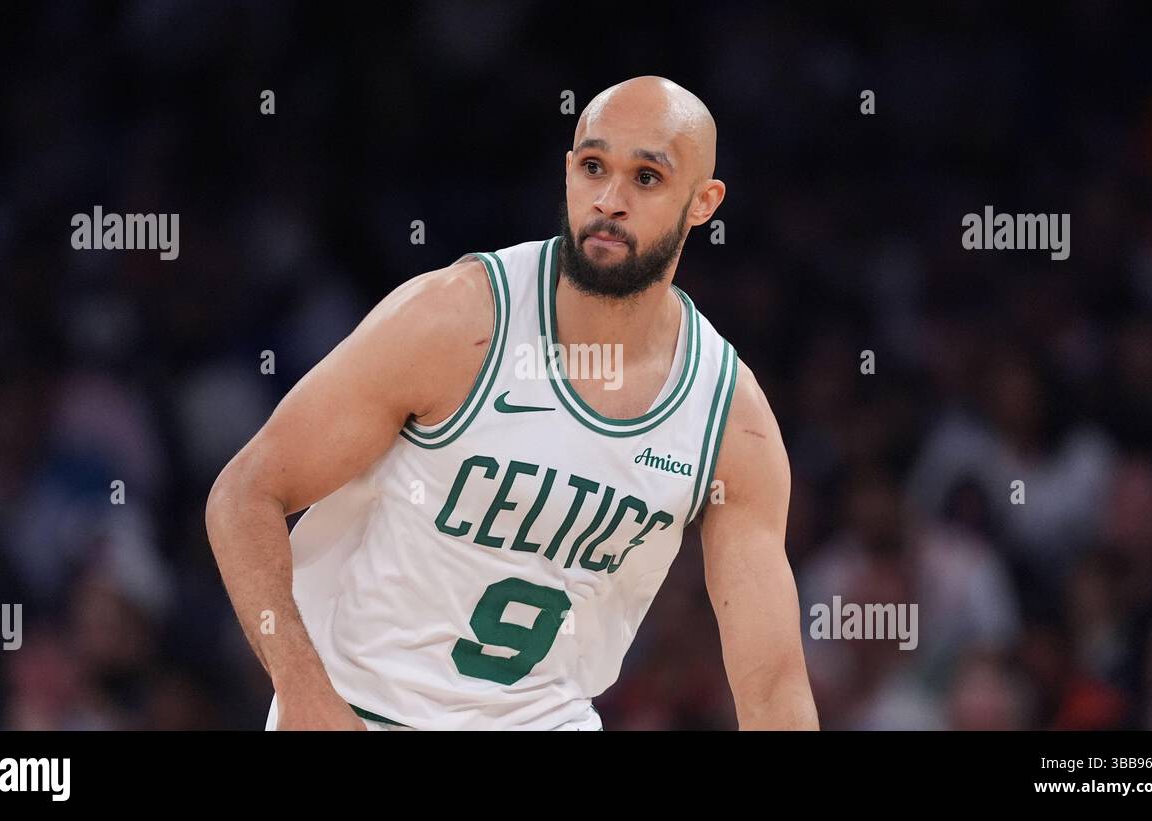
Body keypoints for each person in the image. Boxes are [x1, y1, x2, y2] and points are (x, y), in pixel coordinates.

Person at [206, 75, 817, 730]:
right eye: (593, 166)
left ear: (703, 202)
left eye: (646, 178)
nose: (609, 200)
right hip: (359, 711)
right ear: (568, 172)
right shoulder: (457, 320)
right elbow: (245, 492)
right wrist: (299, 684)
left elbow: (772, 684)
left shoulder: (727, 416)